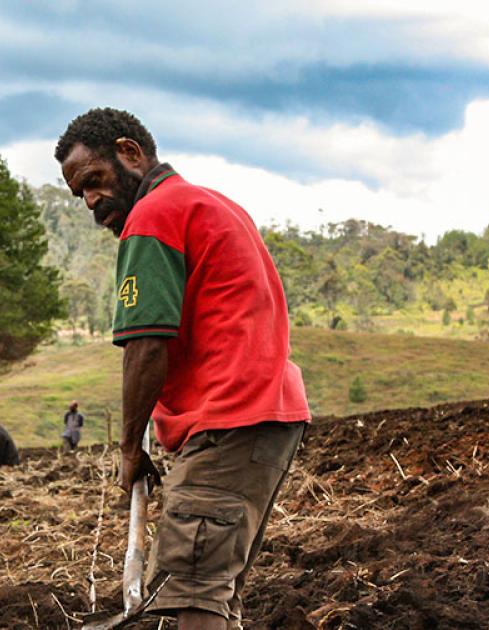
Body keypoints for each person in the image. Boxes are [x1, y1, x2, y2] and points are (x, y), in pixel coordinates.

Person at [56, 108, 310, 630]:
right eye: (79, 193)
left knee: (190, 591)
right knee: (215, 590)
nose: (91, 202)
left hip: (226, 421)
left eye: (95, 182)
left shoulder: (154, 216)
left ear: (130, 153)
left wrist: (129, 448)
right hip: (266, 418)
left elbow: (147, 346)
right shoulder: (214, 204)